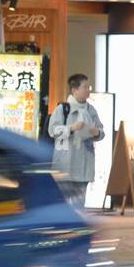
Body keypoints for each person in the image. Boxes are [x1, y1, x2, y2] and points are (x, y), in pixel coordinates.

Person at [48, 73, 104, 207]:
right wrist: (71, 128)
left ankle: (75, 226)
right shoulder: (62, 109)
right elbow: (52, 131)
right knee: (63, 205)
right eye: (85, 87)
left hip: (84, 163)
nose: (88, 90)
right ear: (74, 90)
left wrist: (97, 132)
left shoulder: (91, 110)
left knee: (79, 205)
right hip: (65, 164)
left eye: (88, 87)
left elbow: (101, 132)